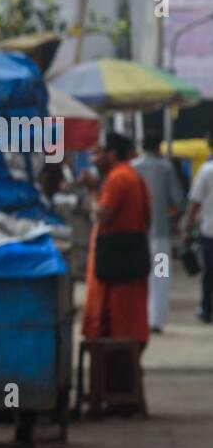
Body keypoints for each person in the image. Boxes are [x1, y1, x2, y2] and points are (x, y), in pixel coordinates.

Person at [82, 132, 152, 346]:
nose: (94, 159)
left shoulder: (118, 178)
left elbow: (104, 214)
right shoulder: (132, 176)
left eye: (99, 153)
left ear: (112, 153)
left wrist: (92, 199)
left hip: (117, 265)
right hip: (136, 253)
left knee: (118, 327)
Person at [131, 129, 186, 332]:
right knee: (160, 276)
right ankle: (156, 321)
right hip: (160, 235)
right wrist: (172, 216)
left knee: (138, 276)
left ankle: (138, 319)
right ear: (158, 146)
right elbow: (179, 201)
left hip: (136, 235)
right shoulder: (166, 168)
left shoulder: (131, 168)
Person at [181, 130, 213, 323]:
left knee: (209, 272)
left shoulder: (207, 170)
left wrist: (186, 228)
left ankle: (207, 309)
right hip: (207, 229)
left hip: (209, 231)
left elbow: (194, 203)